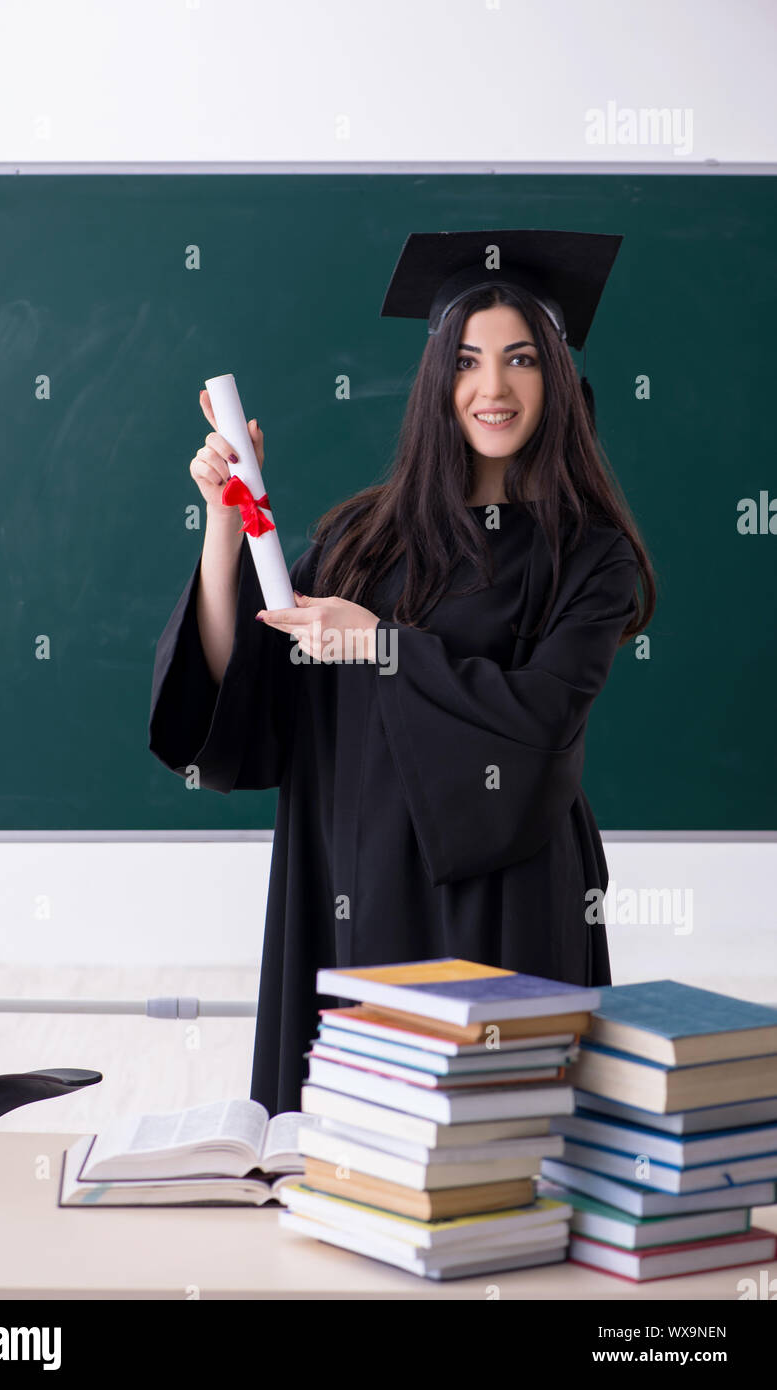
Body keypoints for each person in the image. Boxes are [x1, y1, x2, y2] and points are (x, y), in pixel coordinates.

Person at [149, 228, 656, 1116]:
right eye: (465, 361)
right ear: (434, 381)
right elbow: (246, 698)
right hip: (348, 887)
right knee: (354, 1157)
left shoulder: (589, 557)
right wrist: (225, 526)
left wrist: (382, 646)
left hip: (503, 901)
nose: (492, 388)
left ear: (555, 378)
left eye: (519, 359)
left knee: (492, 1156)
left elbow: (540, 720)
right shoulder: (361, 538)